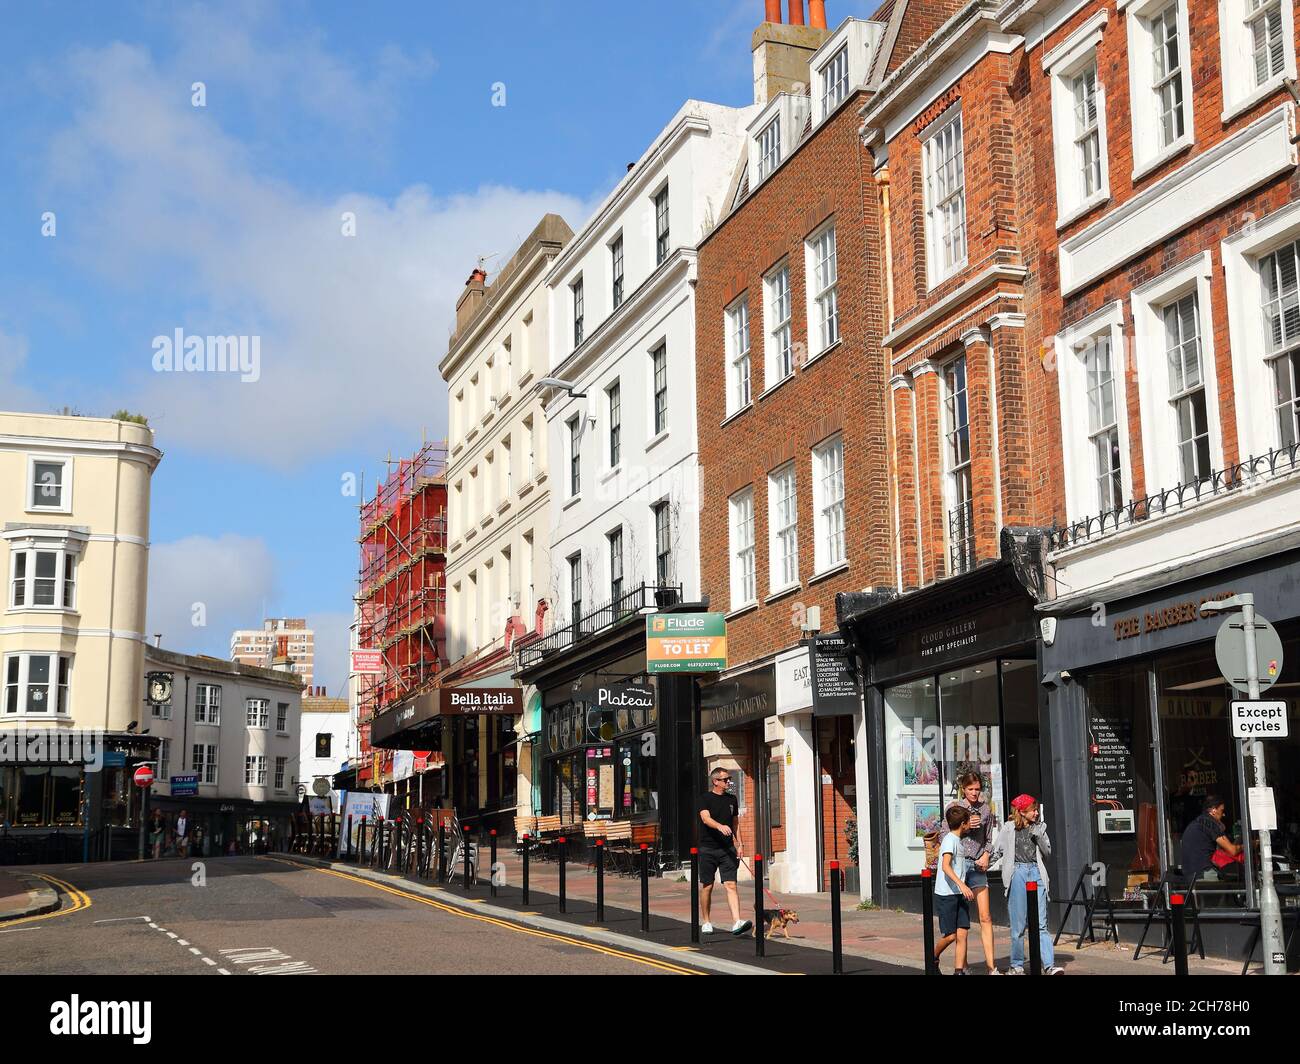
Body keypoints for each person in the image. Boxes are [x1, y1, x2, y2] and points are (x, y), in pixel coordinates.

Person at [992, 794, 1064, 974]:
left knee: (1041, 924)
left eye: (1037, 809)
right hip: (1017, 872)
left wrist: (1038, 835)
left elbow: (1047, 853)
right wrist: (982, 864)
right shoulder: (1009, 828)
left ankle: (1049, 966)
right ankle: (1016, 965)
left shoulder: (1040, 827)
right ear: (1022, 811)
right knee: (1018, 925)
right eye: (1033, 810)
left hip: (1036, 872)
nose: (1036, 813)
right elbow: (997, 850)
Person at [946, 772, 1001, 975]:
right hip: (960, 866)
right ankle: (964, 965)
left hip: (978, 867)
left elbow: (988, 839)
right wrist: (967, 828)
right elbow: (946, 836)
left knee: (985, 917)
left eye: (977, 789)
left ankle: (991, 967)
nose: (974, 793)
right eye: (970, 789)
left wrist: (987, 855)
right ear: (963, 790)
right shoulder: (954, 809)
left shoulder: (986, 809)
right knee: (963, 918)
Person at [697, 767, 753, 937]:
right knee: (708, 886)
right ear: (715, 781)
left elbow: (735, 823)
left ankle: (737, 921)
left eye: (729, 779)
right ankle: (706, 921)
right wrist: (719, 826)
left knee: (731, 884)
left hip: (727, 849)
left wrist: (740, 844)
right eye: (725, 779)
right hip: (708, 848)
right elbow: (705, 818)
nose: (729, 781)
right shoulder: (704, 798)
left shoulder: (732, 799)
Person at [933, 805, 975, 973]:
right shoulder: (950, 840)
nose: (971, 824)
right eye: (969, 821)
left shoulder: (958, 841)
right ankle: (933, 957)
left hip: (959, 894)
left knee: (962, 933)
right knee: (951, 936)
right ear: (963, 823)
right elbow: (945, 866)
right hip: (947, 894)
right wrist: (962, 884)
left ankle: (959, 971)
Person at [1179, 795, 1242, 885]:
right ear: (1213, 810)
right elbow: (1233, 851)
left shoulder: (1197, 822)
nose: (1223, 814)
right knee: (1229, 891)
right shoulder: (1210, 823)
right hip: (1203, 874)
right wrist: (1249, 845)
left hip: (1189, 875)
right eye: (1222, 810)